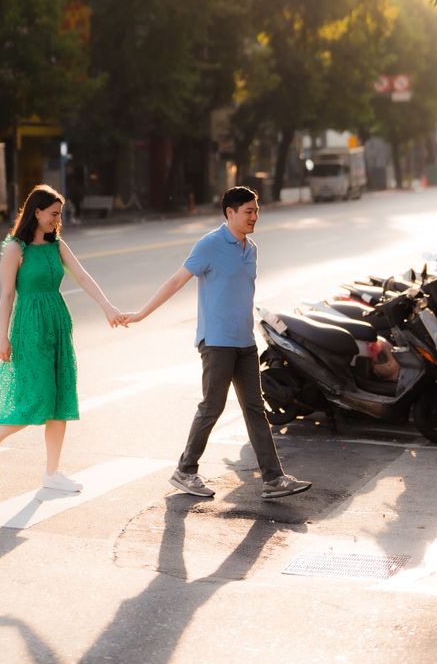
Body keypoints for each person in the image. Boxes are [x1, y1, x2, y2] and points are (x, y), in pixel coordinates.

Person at [126, 185, 311, 500]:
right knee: (212, 406)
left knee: (255, 409)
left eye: (256, 211)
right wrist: (142, 313)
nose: (255, 216)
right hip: (216, 342)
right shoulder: (210, 244)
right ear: (230, 213)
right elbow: (176, 280)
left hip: (245, 342)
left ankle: (273, 479)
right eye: (249, 211)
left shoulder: (251, 249)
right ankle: (185, 471)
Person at [0, 184, 125, 492]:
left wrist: (107, 307)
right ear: (37, 212)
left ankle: (52, 473)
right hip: (29, 326)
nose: (57, 220)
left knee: (59, 398)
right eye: (53, 214)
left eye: (60, 214)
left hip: (57, 322)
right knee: (38, 397)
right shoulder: (16, 248)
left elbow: (82, 276)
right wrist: (2, 337)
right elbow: (6, 295)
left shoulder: (57, 245)